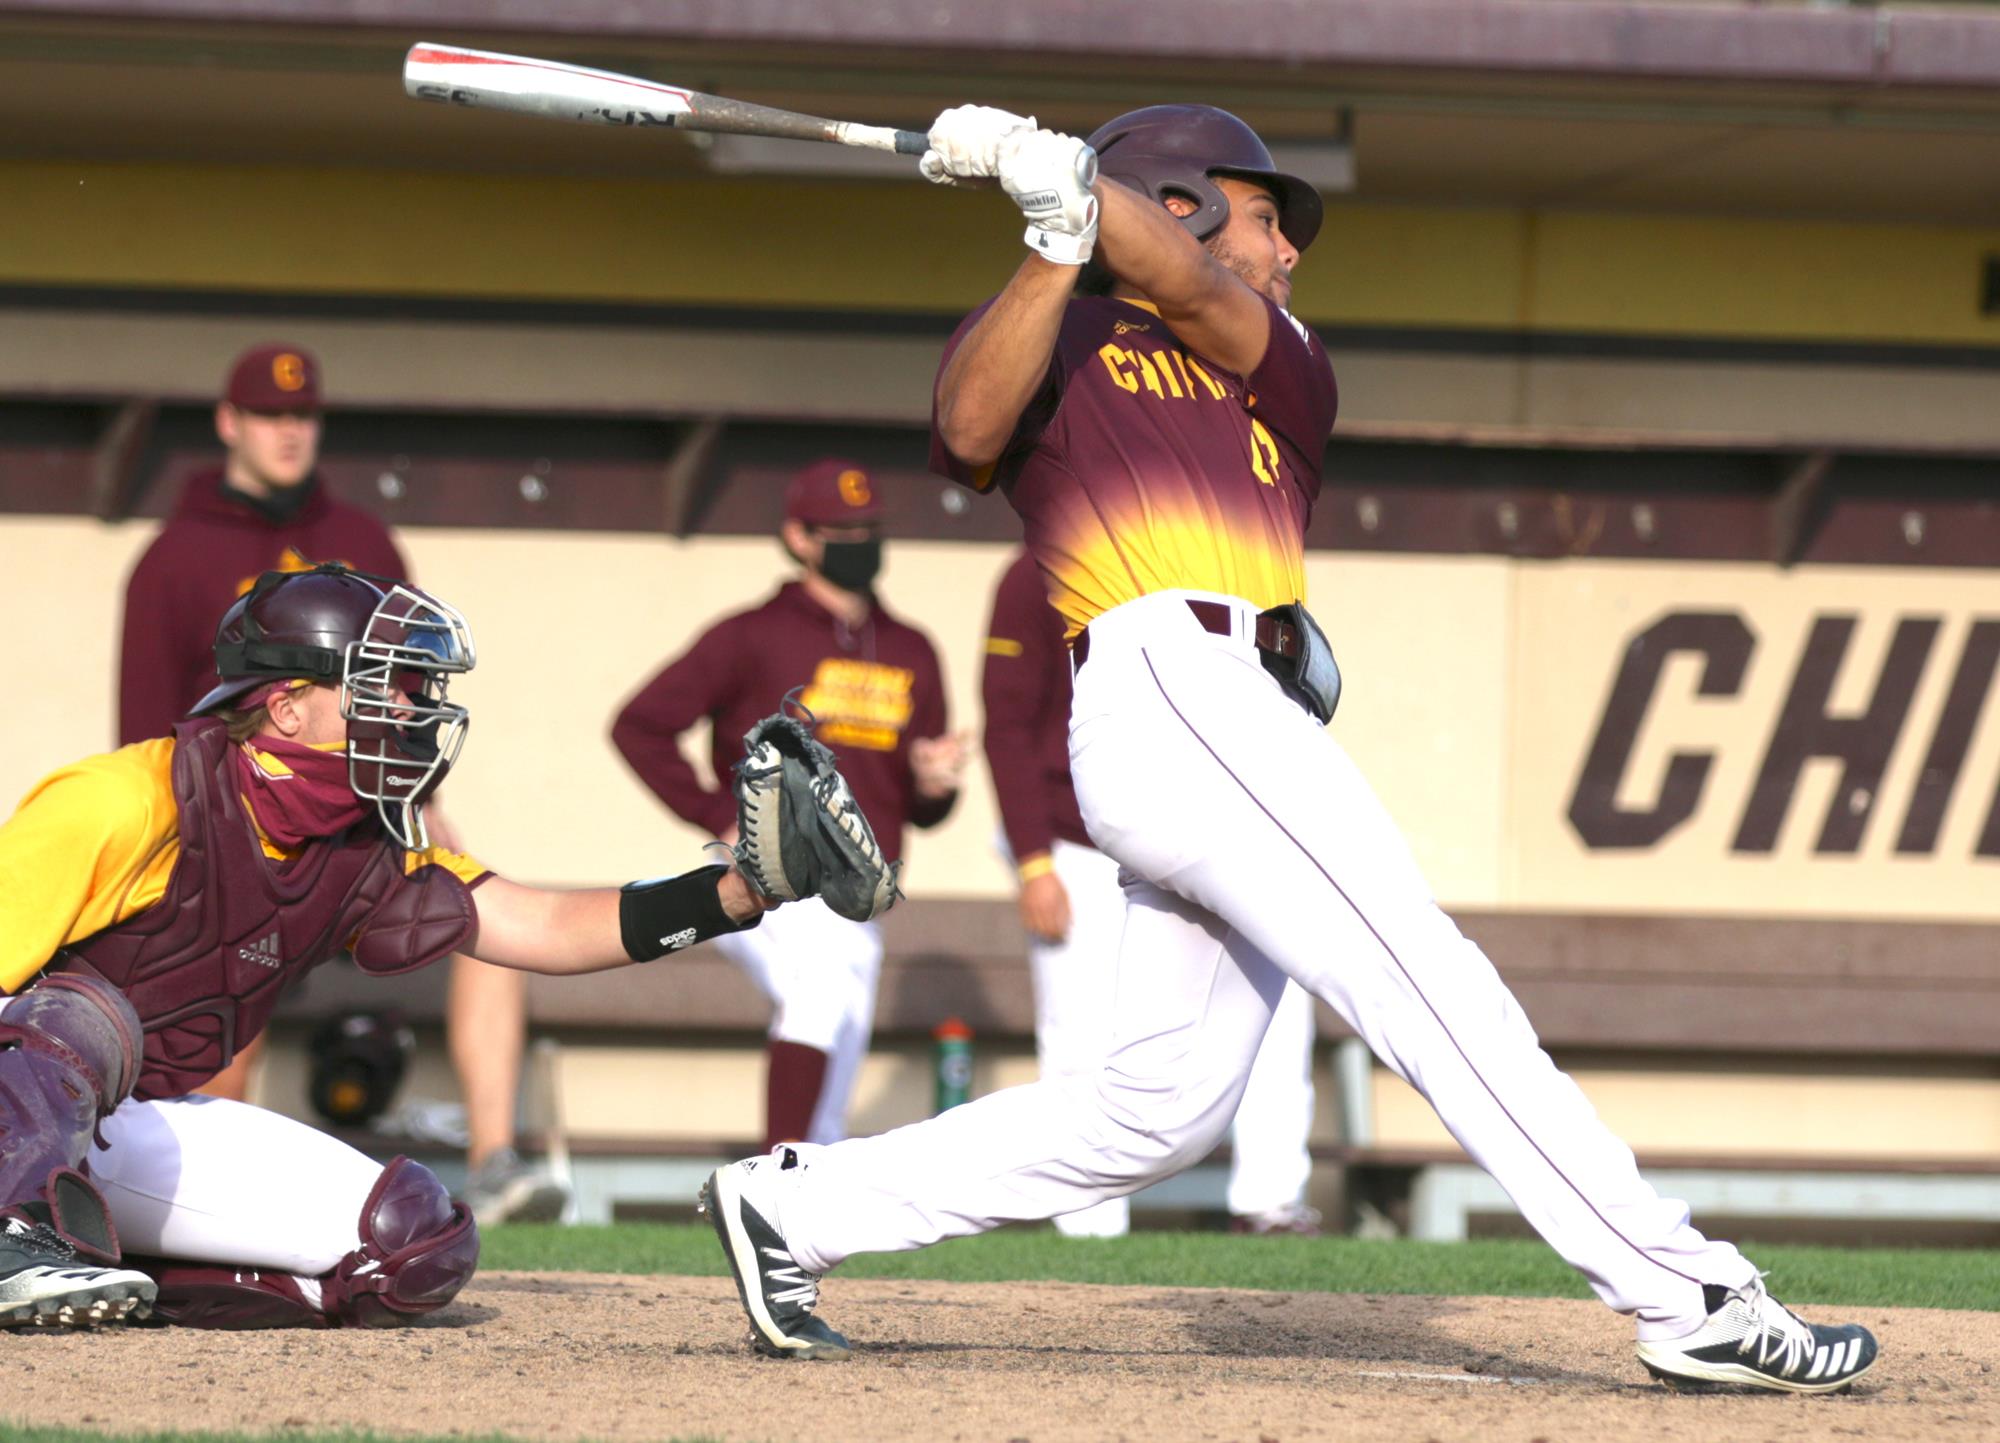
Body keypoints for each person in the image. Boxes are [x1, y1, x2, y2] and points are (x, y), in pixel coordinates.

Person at [698, 105, 1881, 1395]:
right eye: (1264, 214)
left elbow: (1187, 282)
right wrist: (1051, 233)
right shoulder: (1060, 329)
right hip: (1156, 679)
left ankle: (796, 1210)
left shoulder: (1279, 362)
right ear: (1184, 197)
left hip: (1219, 700)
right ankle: (1687, 1292)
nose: (1289, 247)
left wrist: (1078, 192)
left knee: (1155, 1108)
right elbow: (970, 431)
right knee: (1428, 981)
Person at [0, 563, 786, 1328]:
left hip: (130, 1126)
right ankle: (18, 1238)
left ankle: (99, 1267)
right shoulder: (125, 798)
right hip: (21, 1113)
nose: (406, 711)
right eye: (378, 687)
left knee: (411, 1242)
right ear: (285, 706)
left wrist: (737, 892)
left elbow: (542, 926)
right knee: (82, 1014)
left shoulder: (361, 846)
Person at [116, 342, 565, 1225]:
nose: (290, 432)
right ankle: (211, 1208)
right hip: (235, 834)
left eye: (304, 415)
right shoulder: (173, 557)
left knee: (481, 910)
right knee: (218, 1028)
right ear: (229, 423)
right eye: (271, 415)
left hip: (359, 830)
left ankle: (496, 1162)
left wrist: (428, 808)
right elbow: (144, 732)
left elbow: (409, 693)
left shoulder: (361, 542)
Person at [613, 459, 966, 1150]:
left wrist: (933, 786)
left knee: (834, 1050)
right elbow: (640, 724)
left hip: (862, 887)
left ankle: (798, 1191)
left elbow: (920, 807)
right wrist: (717, 812)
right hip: (772, 867)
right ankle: (773, 1176)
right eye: (841, 530)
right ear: (799, 538)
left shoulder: (912, 647)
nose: (860, 542)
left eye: (870, 528)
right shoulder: (752, 634)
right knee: (819, 989)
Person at [983, 547, 1319, 1238]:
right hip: (1078, 839)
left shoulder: (1223, 553)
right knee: (1081, 1034)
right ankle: (1090, 1227)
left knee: (1276, 1010)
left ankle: (1271, 1204)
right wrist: (1031, 863)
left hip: (1213, 830)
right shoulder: (1036, 573)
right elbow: (1008, 725)